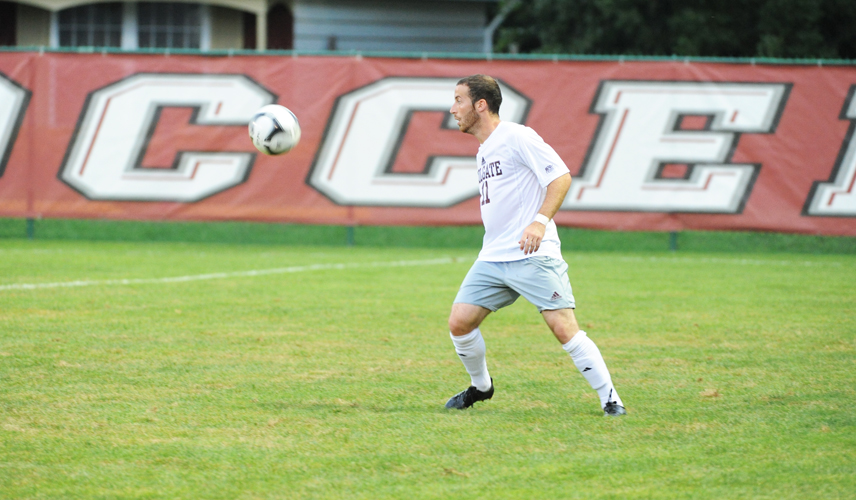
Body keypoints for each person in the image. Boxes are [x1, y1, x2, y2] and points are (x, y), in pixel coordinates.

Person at [444, 74, 626, 417]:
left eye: (458, 100)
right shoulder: (485, 150)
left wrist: (539, 222)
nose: (452, 109)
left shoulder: (516, 136)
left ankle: (610, 399)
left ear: (480, 105)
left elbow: (560, 176)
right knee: (460, 322)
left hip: (532, 254)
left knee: (563, 327)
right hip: (494, 256)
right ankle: (481, 387)